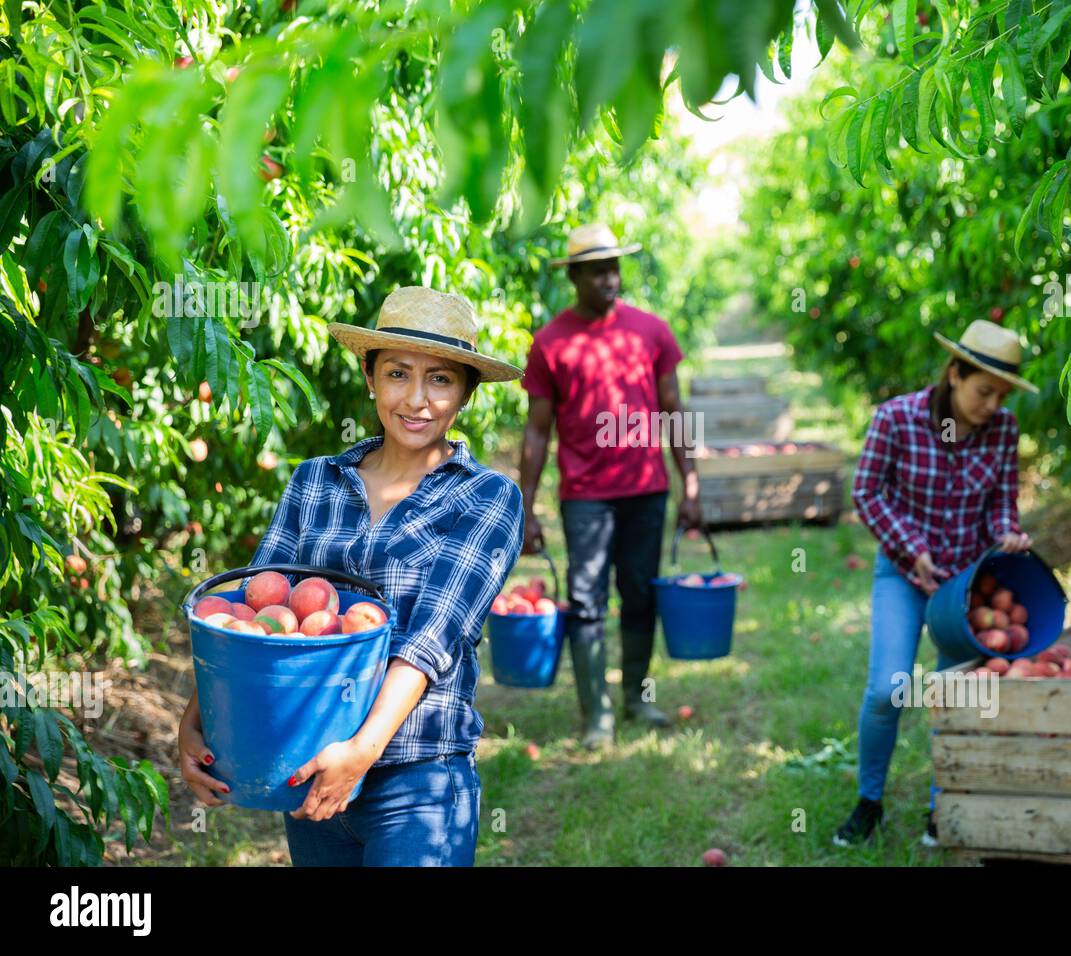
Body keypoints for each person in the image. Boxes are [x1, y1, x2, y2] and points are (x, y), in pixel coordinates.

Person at [177, 288, 525, 866]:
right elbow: (253, 613)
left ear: (466, 392)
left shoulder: (486, 497)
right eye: (397, 374)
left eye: (440, 379)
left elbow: (432, 638)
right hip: (311, 769)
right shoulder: (316, 482)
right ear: (369, 376)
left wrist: (361, 753)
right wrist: (198, 721)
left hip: (418, 778)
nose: (416, 399)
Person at [832, 319, 1039, 849]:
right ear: (954, 373)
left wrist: (1007, 536)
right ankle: (869, 801)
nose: (992, 405)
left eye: (1002, 395)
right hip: (905, 572)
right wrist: (911, 547)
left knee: (954, 696)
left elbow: (1000, 503)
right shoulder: (896, 419)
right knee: (887, 690)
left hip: (965, 583)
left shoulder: (1003, 430)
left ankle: (940, 805)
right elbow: (867, 492)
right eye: (983, 391)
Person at [518, 223, 702, 750]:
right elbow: (537, 429)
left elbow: (674, 411)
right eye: (597, 270)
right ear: (573, 276)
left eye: (614, 267)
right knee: (587, 599)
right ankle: (596, 712)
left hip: (646, 488)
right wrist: (526, 506)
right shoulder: (552, 342)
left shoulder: (651, 331)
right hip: (586, 496)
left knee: (641, 594)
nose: (609, 278)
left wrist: (690, 482)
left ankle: (636, 698)